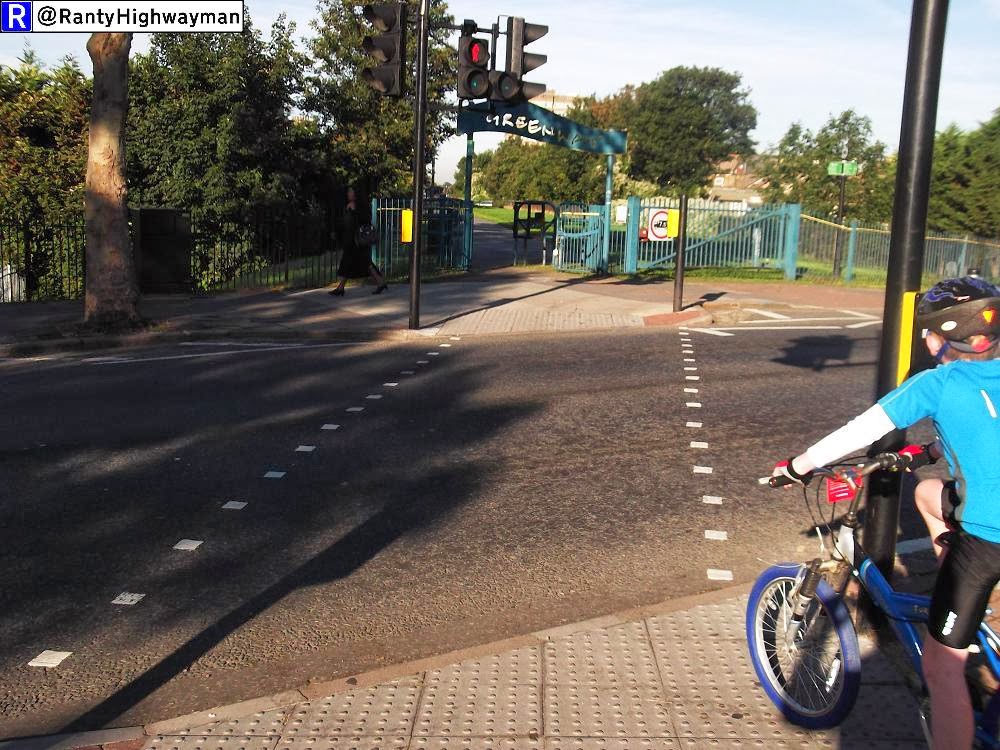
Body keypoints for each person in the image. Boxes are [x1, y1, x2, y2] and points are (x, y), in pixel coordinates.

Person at [771, 276, 1000, 750]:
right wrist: (931, 449)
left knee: (944, 667)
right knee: (929, 492)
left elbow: (859, 431)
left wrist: (796, 467)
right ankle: (956, 589)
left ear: (945, 336)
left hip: (988, 537)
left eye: (927, 331)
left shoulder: (938, 383)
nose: (923, 340)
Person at [329, 187, 387, 296]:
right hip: (356, 240)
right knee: (359, 263)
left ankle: (341, 288)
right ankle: (380, 282)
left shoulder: (354, 207)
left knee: (355, 262)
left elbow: (349, 224)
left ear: (355, 194)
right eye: (348, 192)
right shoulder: (361, 206)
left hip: (354, 241)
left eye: (351, 192)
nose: (348, 194)